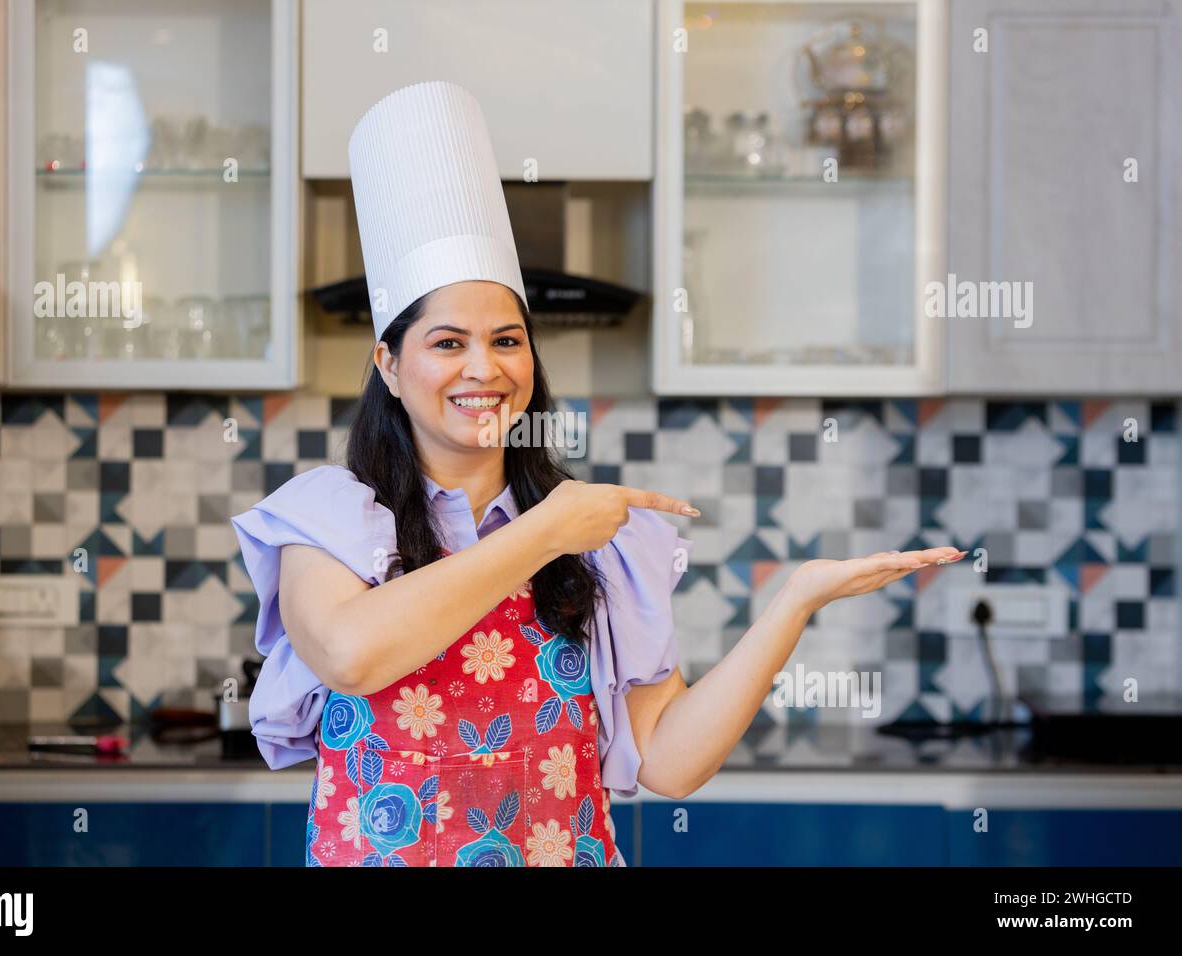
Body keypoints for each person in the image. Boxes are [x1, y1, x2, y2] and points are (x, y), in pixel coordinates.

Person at [231, 81, 963, 867]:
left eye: (507, 340)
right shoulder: (328, 519)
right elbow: (351, 654)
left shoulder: (599, 541)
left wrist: (796, 601)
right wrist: (543, 530)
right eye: (448, 343)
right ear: (390, 362)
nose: (485, 367)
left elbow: (670, 763)